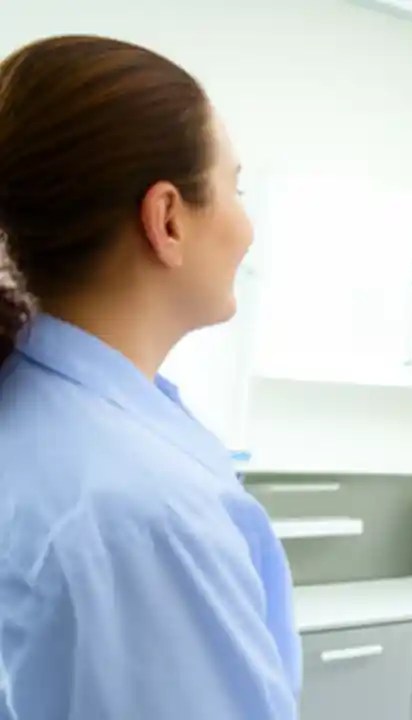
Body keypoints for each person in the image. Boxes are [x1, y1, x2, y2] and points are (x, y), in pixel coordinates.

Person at [0, 35, 300, 718]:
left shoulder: (32, 413)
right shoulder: (141, 512)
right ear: (166, 219)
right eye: (235, 188)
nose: (248, 226)